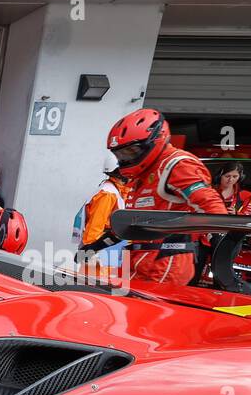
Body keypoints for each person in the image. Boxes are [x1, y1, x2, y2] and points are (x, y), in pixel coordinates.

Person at [106, 108, 226, 286]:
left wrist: (221, 239)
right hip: (140, 258)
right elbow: (137, 223)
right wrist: (101, 243)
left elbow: (209, 203)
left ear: (154, 140)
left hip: (167, 261)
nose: (125, 159)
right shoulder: (145, 174)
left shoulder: (177, 164)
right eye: (120, 154)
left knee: (147, 311)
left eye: (130, 152)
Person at [73, 153, 129, 275]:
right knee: (95, 288)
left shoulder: (115, 190)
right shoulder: (108, 194)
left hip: (108, 247)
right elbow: (95, 225)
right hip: (100, 250)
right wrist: (90, 252)